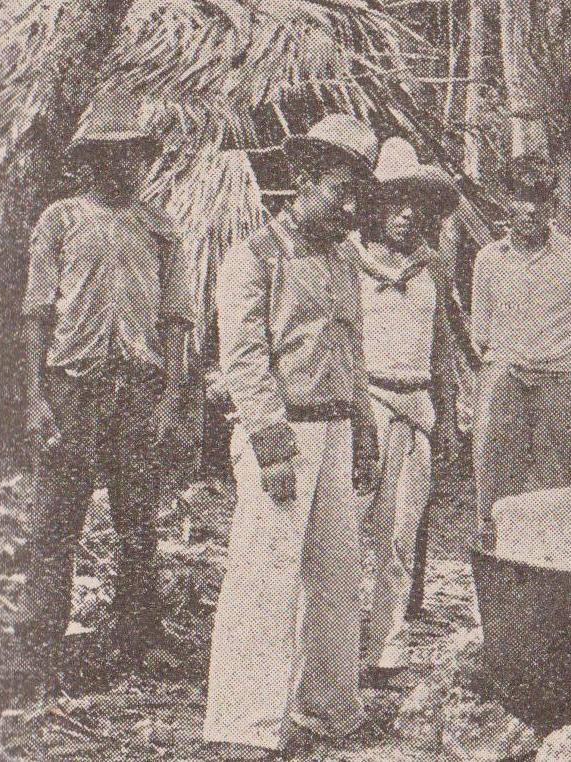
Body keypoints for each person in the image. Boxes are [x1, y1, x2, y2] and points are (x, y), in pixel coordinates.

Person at [203, 114, 380, 759]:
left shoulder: (343, 260)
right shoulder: (256, 254)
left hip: (334, 432)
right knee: (266, 578)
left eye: (359, 192)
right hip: (280, 435)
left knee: (338, 573)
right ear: (304, 179)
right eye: (340, 188)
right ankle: (246, 725)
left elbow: (351, 353)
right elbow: (246, 360)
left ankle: (331, 710)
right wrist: (272, 445)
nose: (351, 205)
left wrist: (364, 431)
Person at [17, 109, 191, 695]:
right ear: (92, 161)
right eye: (114, 155)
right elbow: (38, 315)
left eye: (137, 155)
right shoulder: (60, 221)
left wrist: (168, 399)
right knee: (57, 523)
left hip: (136, 389)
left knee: (138, 522)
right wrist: (39, 399)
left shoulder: (161, 228)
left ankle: (138, 641)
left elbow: (175, 321)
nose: (129, 166)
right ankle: (40, 654)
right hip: (73, 389)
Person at [347, 137, 459, 683]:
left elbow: (440, 352)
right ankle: (335, 649)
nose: (406, 213)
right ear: (375, 205)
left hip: (414, 410)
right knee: (346, 536)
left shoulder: (431, 271)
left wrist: (449, 418)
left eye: (416, 203)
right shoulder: (349, 262)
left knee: (397, 537)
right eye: (395, 201)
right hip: (361, 408)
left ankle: (384, 652)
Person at [470, 154, 571, 546]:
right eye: (521, 198)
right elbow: (480, 333)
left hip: (558, 378)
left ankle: (564, 561)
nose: (530, 209)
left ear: (551, 204)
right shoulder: (488, 261)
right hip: (505, 373)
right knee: (494, 468)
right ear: (507, 201)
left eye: (539, 199)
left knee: (563, 483)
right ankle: (492, 545)